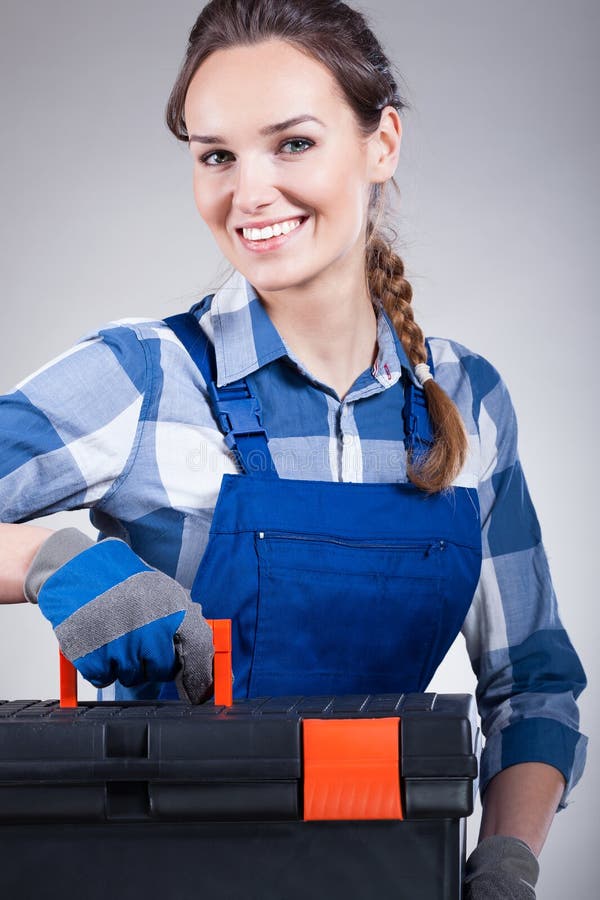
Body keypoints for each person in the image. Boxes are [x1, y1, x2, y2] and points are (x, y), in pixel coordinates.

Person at [0, 0, 587, 896]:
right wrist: (46, 556)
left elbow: (534, 681)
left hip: (387, 872)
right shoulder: (145, 376)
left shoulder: (465, 401)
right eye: (216, 156)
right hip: (146, 874)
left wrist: (506, 860)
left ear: (381, 143)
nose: (249, 192)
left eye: (295, 144)